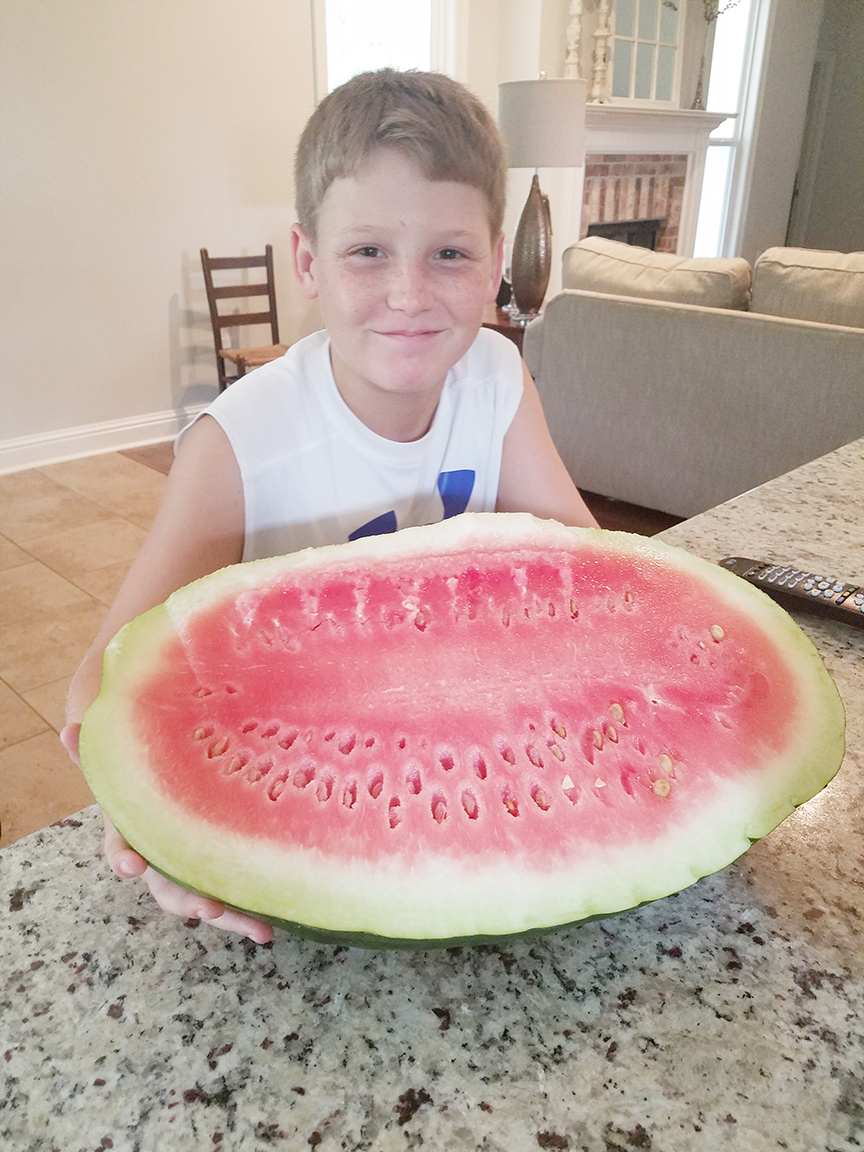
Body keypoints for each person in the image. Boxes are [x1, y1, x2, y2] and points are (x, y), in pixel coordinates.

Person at [61, 69, 598, 944]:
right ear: (307, 260)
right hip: (302, 770)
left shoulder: (498, 378)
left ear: (497, 260)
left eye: (451, 254)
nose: (411, 293)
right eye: (368, 252)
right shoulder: (236, 444)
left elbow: (590, 567)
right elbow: (107, 680)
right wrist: (156, 828)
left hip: (466, 746)